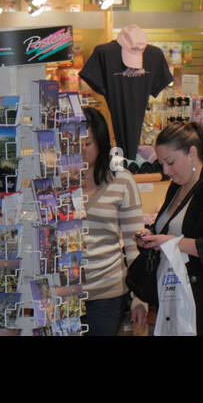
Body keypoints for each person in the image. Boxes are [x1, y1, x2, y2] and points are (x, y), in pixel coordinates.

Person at [134, 121, 203, 335]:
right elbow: (172, 229)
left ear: (192, 153)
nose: (166, 171)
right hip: (175, 298)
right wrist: (152, 237)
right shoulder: (177, 187)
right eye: (161, 164)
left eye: (170, 162)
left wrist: (172, 243)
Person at [80, 108, 149, 336]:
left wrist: (140, 297)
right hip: (62, 294)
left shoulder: (121, 181)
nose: (80, 150)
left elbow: (135, 244)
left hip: (106, 294)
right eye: (73, 142)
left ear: (101, 143)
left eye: (87, 143)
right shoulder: (55, 184)